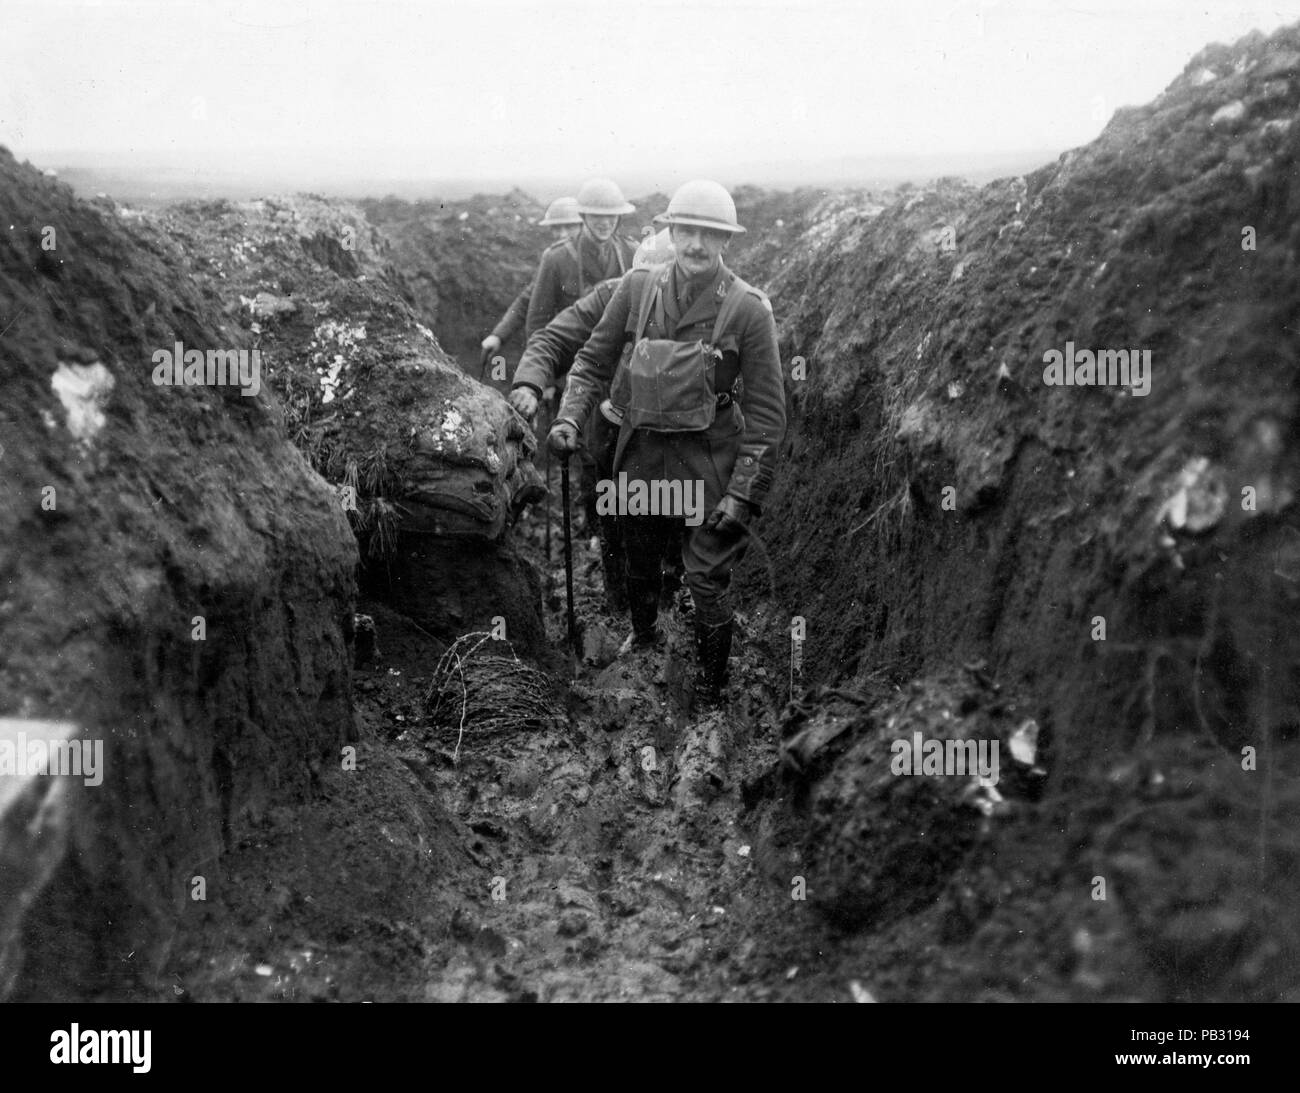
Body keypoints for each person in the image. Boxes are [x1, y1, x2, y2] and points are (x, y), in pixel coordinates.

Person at [548, 181, 786, 710]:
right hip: (643, 453)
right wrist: (569, 417)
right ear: (671, 232)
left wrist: (743, 493)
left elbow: (769, 415)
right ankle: (645, 633)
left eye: (710, 235)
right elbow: (590, 360)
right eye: (687, 232)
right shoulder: (637, 288)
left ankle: (710, 688)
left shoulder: (749, 310)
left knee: (705, 576)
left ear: (727, 241)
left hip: (710, 460)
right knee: (638, 554)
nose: (697, 244)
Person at [509, 231, 680, 614]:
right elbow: (551, 339)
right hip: (611, 425)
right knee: (612, 519)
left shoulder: (707, 309)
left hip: (677, 438)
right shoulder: (610, 295)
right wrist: (530, 384)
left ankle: (670, 611)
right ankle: (622, 608)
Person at [524, 178, 637, 341]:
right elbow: (538, 322)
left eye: (611, 215)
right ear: (583, 216)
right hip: (571, 354)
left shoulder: (631, 252)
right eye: (597, 215)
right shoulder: (556, 258)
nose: (605, 223)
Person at [479, 196, 583, 373]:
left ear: (584, 226)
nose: (562, 234)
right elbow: (528, 300)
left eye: (570, 226)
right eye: (556, 228)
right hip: (566, 353)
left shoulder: (603, 259)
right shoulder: (555, 261)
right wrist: (498, 335)